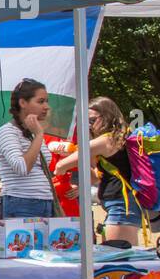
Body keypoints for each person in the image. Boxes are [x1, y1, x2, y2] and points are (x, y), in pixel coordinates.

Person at [54, 97, 143, 244]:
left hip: (121, 208)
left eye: (91, 120)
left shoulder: (107, 140)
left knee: (120, 261)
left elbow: (60, 166)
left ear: (107, 117)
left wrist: (62, 165)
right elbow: (95, 177)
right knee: (117, 259)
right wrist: (77, 158)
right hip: (118, 208)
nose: (89, 126)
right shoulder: (116, 139)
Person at [0, 79, 56, 218]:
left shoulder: (34, 131)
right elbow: (22, 167)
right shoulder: (7, 131)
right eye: (40, 101)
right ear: (23, 103)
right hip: (22, 202)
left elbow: (45, 164)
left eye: (47, 101)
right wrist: (39, 135)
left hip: (44, 201)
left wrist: (37, 133)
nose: (46, 107)